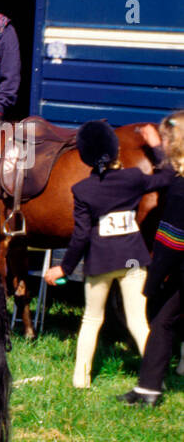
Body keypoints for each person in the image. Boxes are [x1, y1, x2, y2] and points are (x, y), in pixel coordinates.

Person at [44, 120, 175, 388]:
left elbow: (80, 236)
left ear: (84, 156)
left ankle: (80, 379)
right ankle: (155, 380)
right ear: (116, 151)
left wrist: (64, 269)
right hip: (133, 260)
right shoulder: (133, 178)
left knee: (91, 319)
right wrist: (157, 147)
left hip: (100, 263)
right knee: (139, 322)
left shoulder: (82, 190)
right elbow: (166, 177)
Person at [123, 113, 184, 405]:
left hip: (177, 268)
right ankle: (148, 389)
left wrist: (154, 281)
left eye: (170, 139)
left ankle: (148, 390)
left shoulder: (179, 188)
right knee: (164, 322)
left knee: (161, 320)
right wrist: (158, 146)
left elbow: (173, 242)